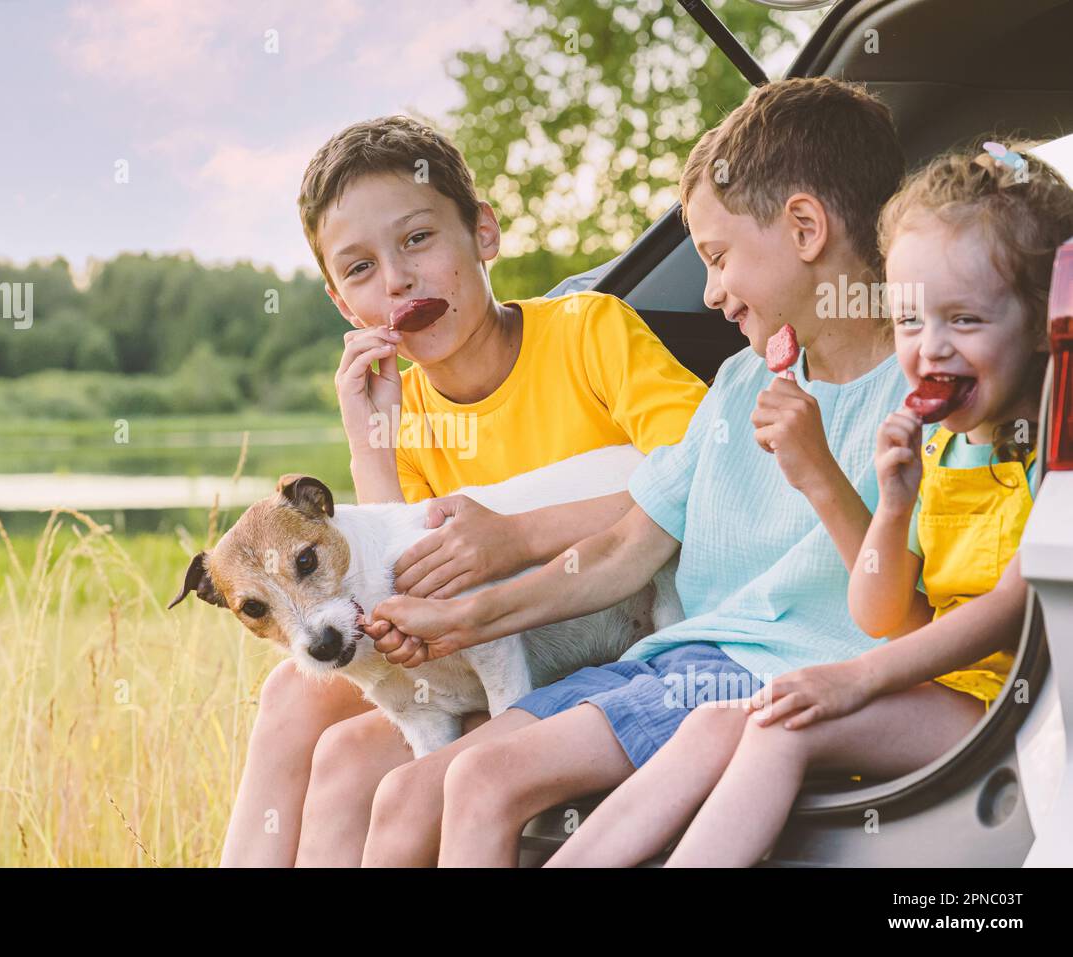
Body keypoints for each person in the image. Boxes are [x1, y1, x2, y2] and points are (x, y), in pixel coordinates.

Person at [361, 77, 910, 866]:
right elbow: (621, 552)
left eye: (719, 259)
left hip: (766, 676)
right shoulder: (740, 386)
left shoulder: (913, 396)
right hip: (674, 660)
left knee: (484, 778)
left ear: (805, 228)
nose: (713, 293)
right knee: (415, 789)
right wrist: (464, 621)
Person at [547, 142, 1072, 868]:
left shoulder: (1045, 447)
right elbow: (882, 613)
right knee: (715, 723)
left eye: (967, 320)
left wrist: (851, 677)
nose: (931, 350)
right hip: (935, 691)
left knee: (783, 724)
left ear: (1046, 316)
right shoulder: (942, 447)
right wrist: (892, 505)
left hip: (1011, 705)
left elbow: (1012, 607)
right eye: (912, 322)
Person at [220, 115, 707, 866]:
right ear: (343, 305)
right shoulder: (401, 412)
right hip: (474, 654)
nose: (396, 280)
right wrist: (370, 438)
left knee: (354, 762)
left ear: (484, 234)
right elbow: (389, 603)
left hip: (602, 630)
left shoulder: (588, 331)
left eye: (417, 239)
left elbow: (711, 476)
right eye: (359, 270)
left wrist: (519, 536)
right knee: (293, 695)